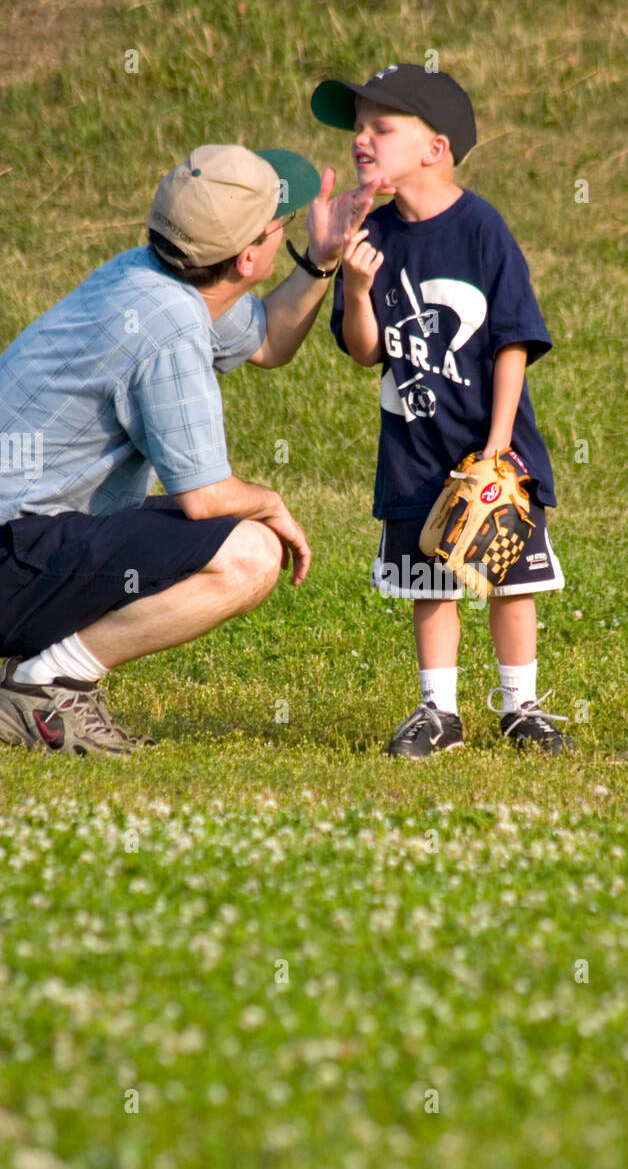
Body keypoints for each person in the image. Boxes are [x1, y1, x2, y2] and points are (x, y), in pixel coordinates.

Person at [0, 143, 389, 755]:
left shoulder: (149, 272)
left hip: (22, 541)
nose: (284, 224)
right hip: (12, 554)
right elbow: (205, 498)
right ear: (248, 256)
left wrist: (320, 258)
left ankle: (39, 672)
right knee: (249, 556)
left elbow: (268, 342)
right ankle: (46, 684)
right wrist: (271, 503)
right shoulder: (172, 322)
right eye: (278, 226)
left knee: (236, 535)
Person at [312, 63, 572, 758]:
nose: (362, 139)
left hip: (493, 450)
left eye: (381, 127)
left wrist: (495, 448)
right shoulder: (375, 236)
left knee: (510, 580)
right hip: (416, 450)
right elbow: (365, 352)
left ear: (436, 148)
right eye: (357, 128)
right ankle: (439, 712)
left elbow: (514, 340)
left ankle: (521, 707)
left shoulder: (482, 227)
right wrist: (359, 289)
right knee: (433, 581)